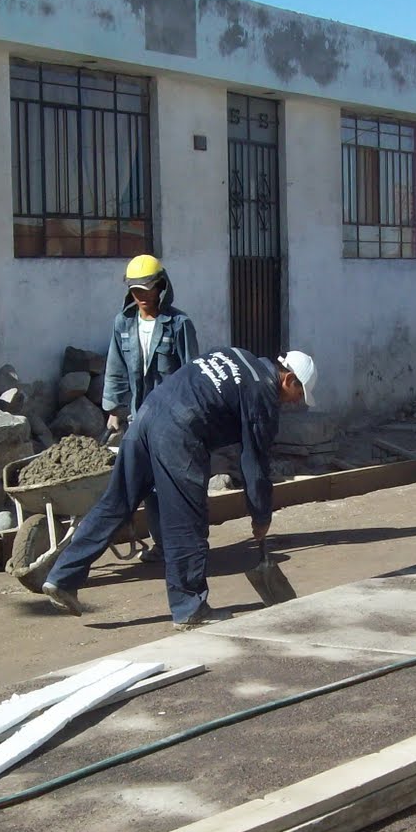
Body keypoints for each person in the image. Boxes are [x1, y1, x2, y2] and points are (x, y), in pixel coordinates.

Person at [42, 348, 315, 629]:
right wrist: (261, 516)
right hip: (179, 432)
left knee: (116, 502)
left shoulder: (237, 355)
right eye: (299, 393)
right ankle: (190, 608)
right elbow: (254, 462)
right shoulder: (263, 393)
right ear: (288, 379)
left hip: (147, 414)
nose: (297, 401)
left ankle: (62, 577)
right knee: (186, 522)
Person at [101, 254, 199, 562]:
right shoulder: (123, 324)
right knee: (144, 485)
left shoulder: (179, 324)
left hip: (171, 421)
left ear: (161, 287)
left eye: (148, 289)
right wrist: (115, 409)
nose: (142, 296)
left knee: (168, 486)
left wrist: (192, 419)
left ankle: (180, 545)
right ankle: (161, 545)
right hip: (138, 417)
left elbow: (191, 373)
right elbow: (116, 368)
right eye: (136, 291)